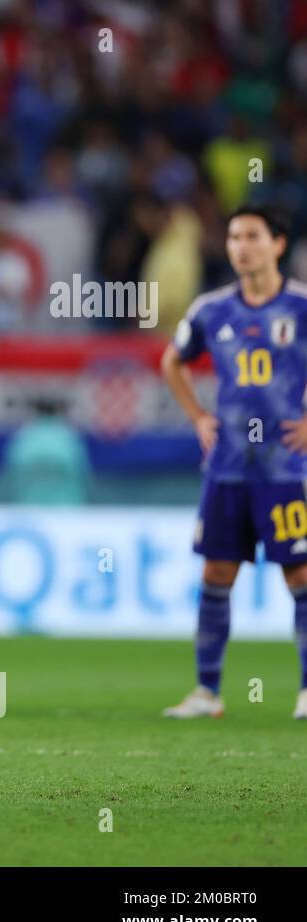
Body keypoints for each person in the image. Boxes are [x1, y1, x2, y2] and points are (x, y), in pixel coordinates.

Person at [160, 204, 307, 721]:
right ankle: (207, 692)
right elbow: (171, 360)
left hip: (286, 468)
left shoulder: (301, 306)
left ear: (278, 244)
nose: (240, 246)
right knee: (218, 573)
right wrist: (199, 416)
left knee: (301, 575)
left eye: (251, 236)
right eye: (233, 236)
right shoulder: (211, 309)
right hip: (227, 467)